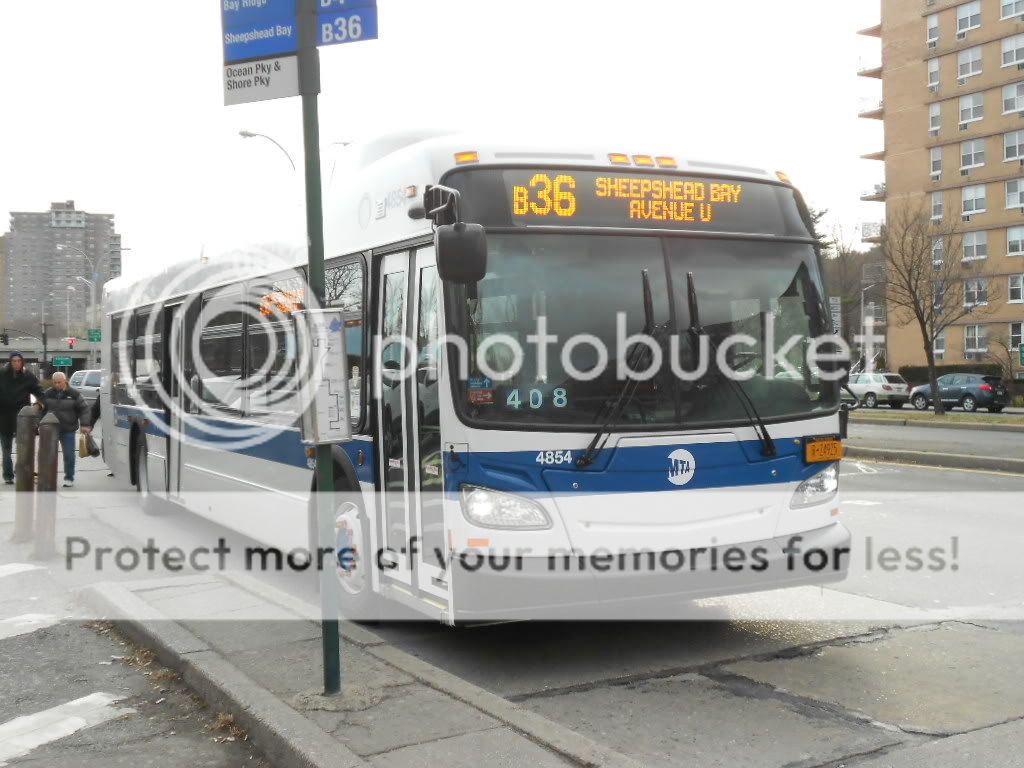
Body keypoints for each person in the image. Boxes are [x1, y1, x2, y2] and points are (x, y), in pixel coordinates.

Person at [41, 371, 92, 488]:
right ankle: (48, 477)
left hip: (68, 429)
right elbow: (41, 409)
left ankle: (69, 477)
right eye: (55, 383)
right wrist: (39, 424)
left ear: (65, 381)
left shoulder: (74, 394)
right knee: (48, 455)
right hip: (51, 430)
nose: (57, 385)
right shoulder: (48, 394)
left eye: (59, 382)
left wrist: (85, 424)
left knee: (69, 455)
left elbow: (84, 409)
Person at [0, 352, 44, 485]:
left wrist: (38, 405)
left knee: (23, 449)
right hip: (4, 417)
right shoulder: (1, 375)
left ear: (22, 362)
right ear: (10, 362)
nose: (16, 363)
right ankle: (8, 476)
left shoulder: (28, 376)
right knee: (6, 450)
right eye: (14, 361)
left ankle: (19, 471)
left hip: (22, 417)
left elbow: (40, 392)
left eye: (19, 361)